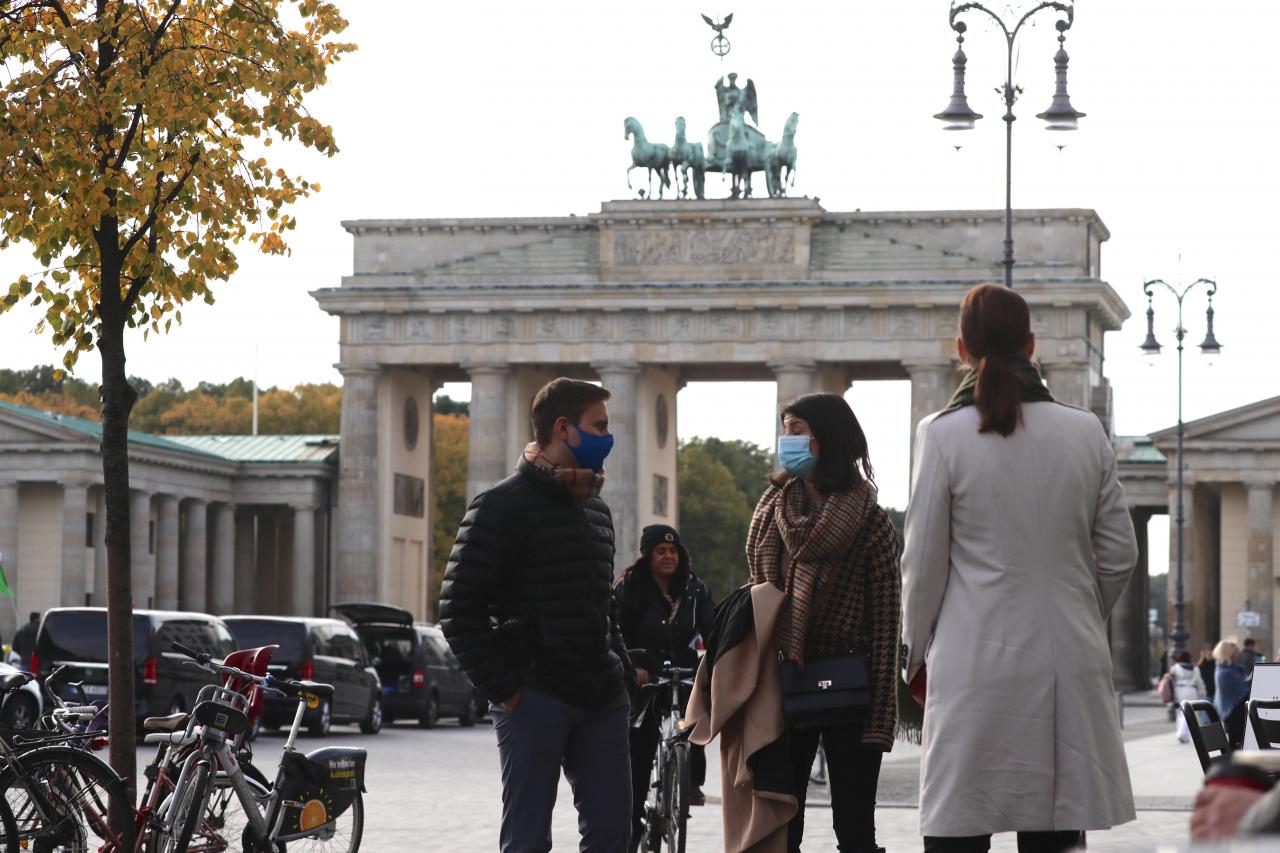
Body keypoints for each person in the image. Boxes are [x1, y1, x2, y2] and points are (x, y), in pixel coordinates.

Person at [901, 284, 1140, 853]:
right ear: (1032, 344)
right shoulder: (1084, 431)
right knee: (1054, 830)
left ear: (961, 348)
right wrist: (1078, 610)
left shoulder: (942, 433)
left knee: (959, 828)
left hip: (973, 661)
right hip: (1067, 658)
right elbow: (1119, 552)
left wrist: (913, 654)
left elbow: (923, 564)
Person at [440, 378, 634, 853]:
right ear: (564, 428)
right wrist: (508, 690)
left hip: (601, 696)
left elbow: (603, 603)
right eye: (599, 426)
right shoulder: (500, 505)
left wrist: (623, 670)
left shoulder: (596, 508)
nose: (608, 438)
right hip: (535, 695)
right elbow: (458, 607)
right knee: (527, 840)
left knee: (613, 836)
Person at [747, 392, 901, 853]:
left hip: (850, 687)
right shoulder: (772, 509)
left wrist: (881, 714)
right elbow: (756, 596)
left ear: (828, 437)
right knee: (780, 826)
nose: (786, 441)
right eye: (785, 430)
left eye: (797, 430)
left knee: (854, 830)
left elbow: (886, 620)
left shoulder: (871, 521)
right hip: (781, 680)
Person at [613, 524, 714, 853]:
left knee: (693, 719)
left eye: (673, 551)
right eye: (661, 551)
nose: (669, 556)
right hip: (644, 677)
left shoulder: (694, 588)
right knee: (639, 756)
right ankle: (632, 830)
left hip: (683, 672)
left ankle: (691, 781)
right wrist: (632, 665)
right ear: (647, 555)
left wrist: (714, 665)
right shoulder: (629, 587)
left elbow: (711, 630)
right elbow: (615, 631)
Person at [1214, 639, 1249, 750]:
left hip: (1238, 714)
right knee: (1236, 746)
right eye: (1235, 653)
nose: (1237, 655)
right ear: (1228, 654)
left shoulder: (1231, 669)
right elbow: (1243, 691)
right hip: (1234, 716)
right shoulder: (1225, 672)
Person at [1171, 650, 1207, 743]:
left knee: (1179, 712)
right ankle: (1183, 734)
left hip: (1178, 690)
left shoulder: (1175, 667)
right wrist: (1203, 691)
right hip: (1191, 690)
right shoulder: (1195, 668)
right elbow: (1199, 681)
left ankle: (1182, 733)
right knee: (1188, 712)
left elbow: (1171, 679)